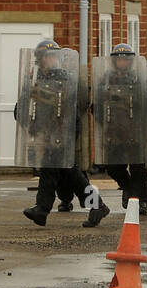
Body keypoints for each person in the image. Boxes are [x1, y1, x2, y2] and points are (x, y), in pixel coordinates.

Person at [17, 39, 110, 228]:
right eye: (47, 57)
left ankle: (42, 210)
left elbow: (78, 105)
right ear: (40, 59)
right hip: (45, 133)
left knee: (53, 169)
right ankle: (97, 205)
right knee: (67, 172)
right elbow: (24, 105)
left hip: (62, 132)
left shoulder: (66, 79)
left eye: (53, 57)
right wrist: (21, 112)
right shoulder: (35, 80)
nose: (50, 61)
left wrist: (67, 132)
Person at [95, 44, 147, 216]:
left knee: (138, 169)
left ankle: (141, 201)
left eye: (126, 59)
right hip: (113, 132)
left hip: (134, 131)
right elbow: (98, 105)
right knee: (113, 167)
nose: (122, 62)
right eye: (119, 59)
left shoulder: (138, 79)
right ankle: (127, 188)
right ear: (114, 61)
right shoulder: (106, 80)